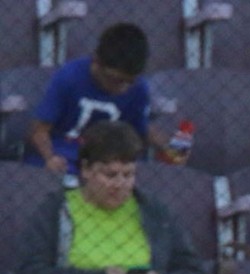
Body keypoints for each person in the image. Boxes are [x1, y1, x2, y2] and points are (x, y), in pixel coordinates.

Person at [16, 120, 208, 274]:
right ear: (86, 169)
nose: (120, 184)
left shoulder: (154, 212)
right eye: (110, 175)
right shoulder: (57, 210)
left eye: (128, 175)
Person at [26, 22, 154, 176]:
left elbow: (140, 133)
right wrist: (50, 158)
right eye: (115, 80)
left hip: (108, 163)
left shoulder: (139, 89)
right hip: (64, 155)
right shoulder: (69, 77)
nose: (122, 88)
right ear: (96, 61)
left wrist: (168, 146)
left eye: (129, 82)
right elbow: (39, 130)